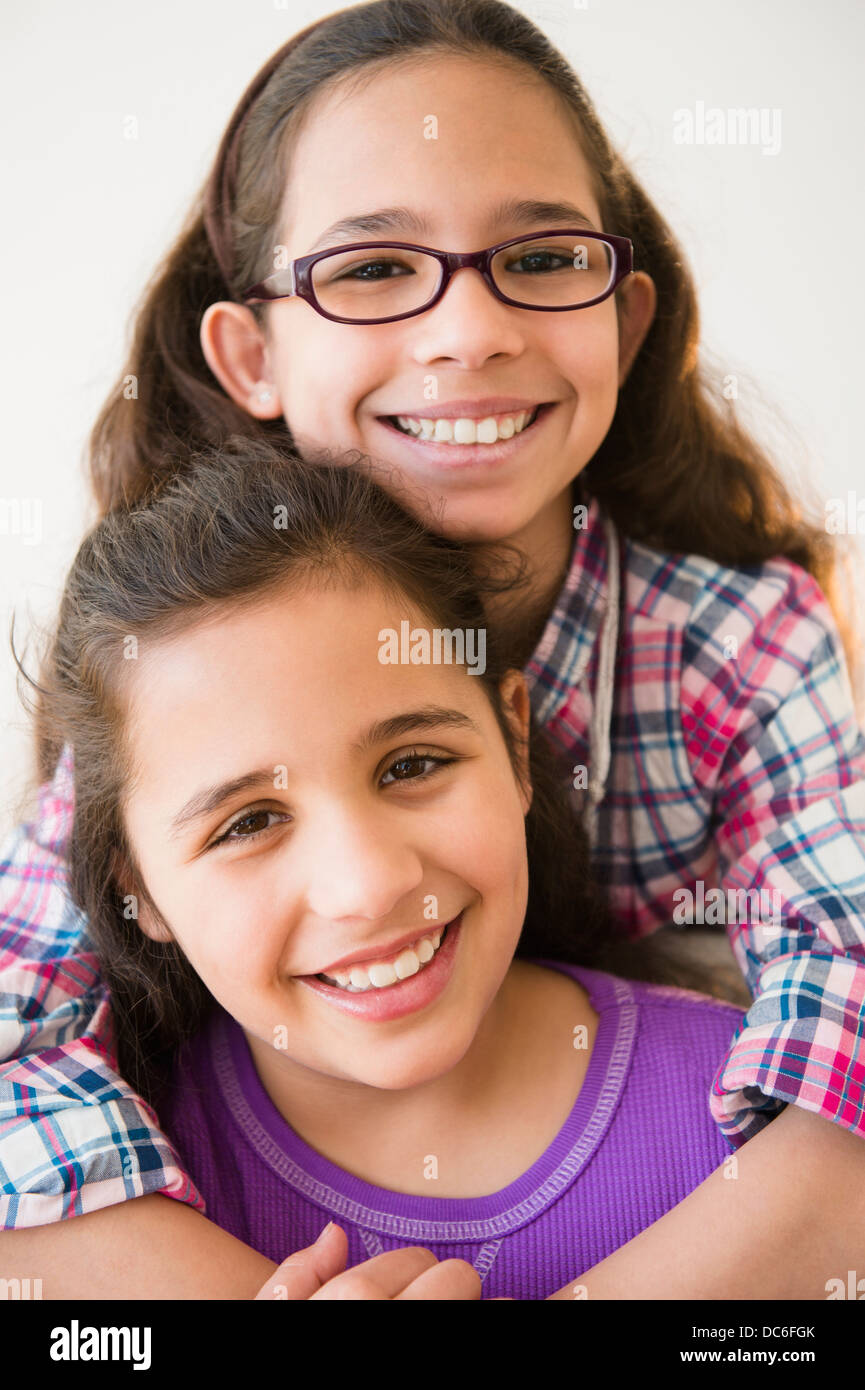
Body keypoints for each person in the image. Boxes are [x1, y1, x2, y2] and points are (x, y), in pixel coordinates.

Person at [2, 0, 865, 1298]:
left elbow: (850, 1017)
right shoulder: (176, 668)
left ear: (623, 322)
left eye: (541, 256)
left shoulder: (733, 638)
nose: (469, 333)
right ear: (251, 355)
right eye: (370, 270)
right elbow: (14, 1028)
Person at [14, 439, 775, 1300]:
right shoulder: (90, 1196)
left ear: (514, 744)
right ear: (137, 887)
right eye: (250, 823)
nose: (368, 884)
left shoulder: (758, 1117)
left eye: (411, 765)